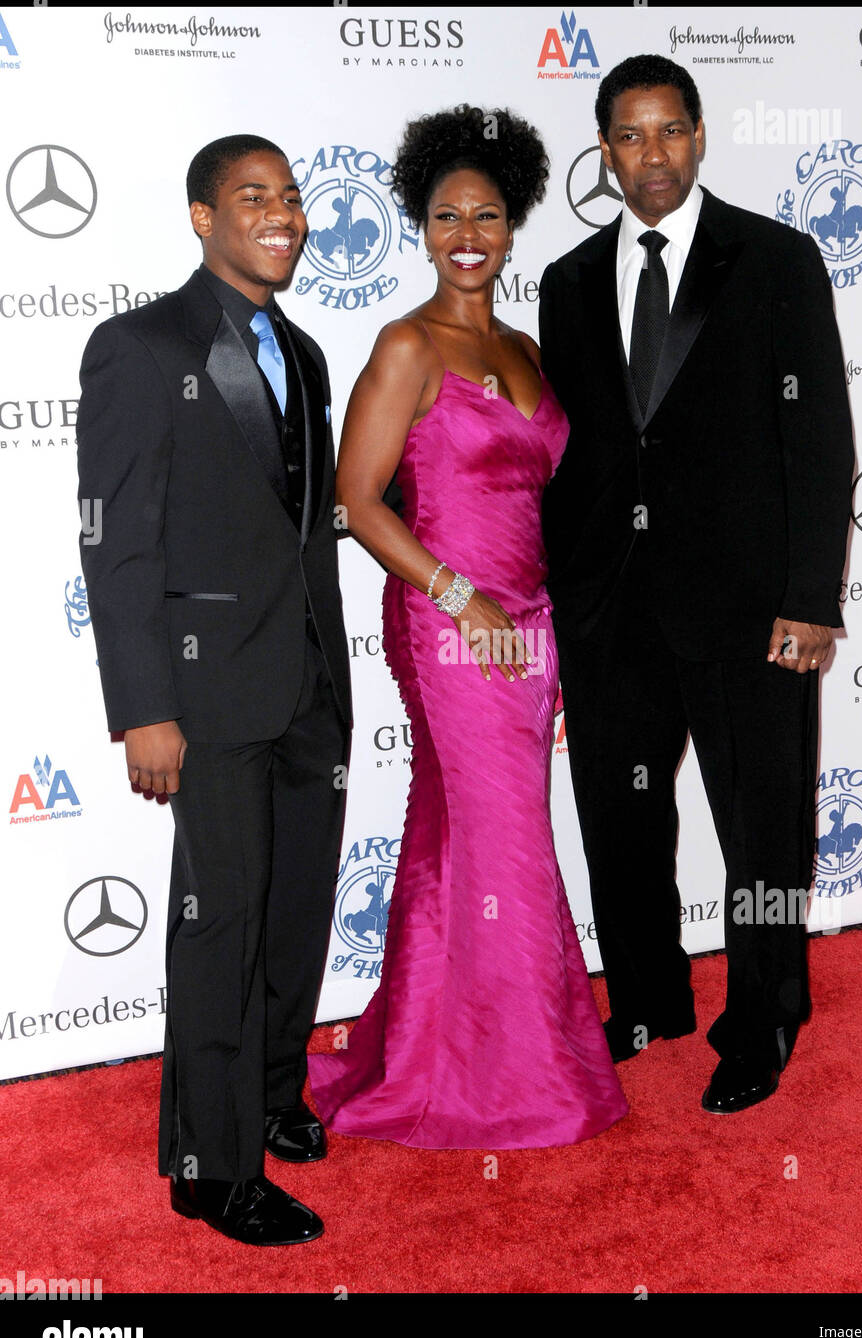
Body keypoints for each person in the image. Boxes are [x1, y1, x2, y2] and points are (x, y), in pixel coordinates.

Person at [307, 105, 627, 1148]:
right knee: (510, 840)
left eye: (486, 213)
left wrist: (549, 634)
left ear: (513, 220)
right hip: (452, 622)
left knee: (457, 840)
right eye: (446, 215)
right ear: (420, 225)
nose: (467, 233)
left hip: (528, 625)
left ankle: (429, 1054)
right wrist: (458, 598)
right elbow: (356, 500)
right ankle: (523, 1074)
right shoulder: (407, 345)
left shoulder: (522, 345)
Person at [538, 55, 854, 1113]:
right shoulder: (568, 283)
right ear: (604, 151)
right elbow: (572, 453)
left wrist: (811, 597)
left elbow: (818, 441)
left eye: (671, 131)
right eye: (631, 136)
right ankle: (645, 998)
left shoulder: (775, 259)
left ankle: (764, 1017)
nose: (653, 154)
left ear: (702, 134)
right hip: (611, 611)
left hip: (750, 610)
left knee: (762, 824)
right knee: (621, 821)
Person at [76, 135, 350, 1243]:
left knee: (293, 910)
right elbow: (117, 542)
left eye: (288, 198)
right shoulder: (140, 347)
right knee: (218, 920)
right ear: (202, 217)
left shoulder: (311, 354)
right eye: (251, 198)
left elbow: (305, 535)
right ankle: (209, 1165)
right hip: (205, 695)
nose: (278, 215)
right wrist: (145, 706)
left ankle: (274, 1097)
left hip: (308, 688)